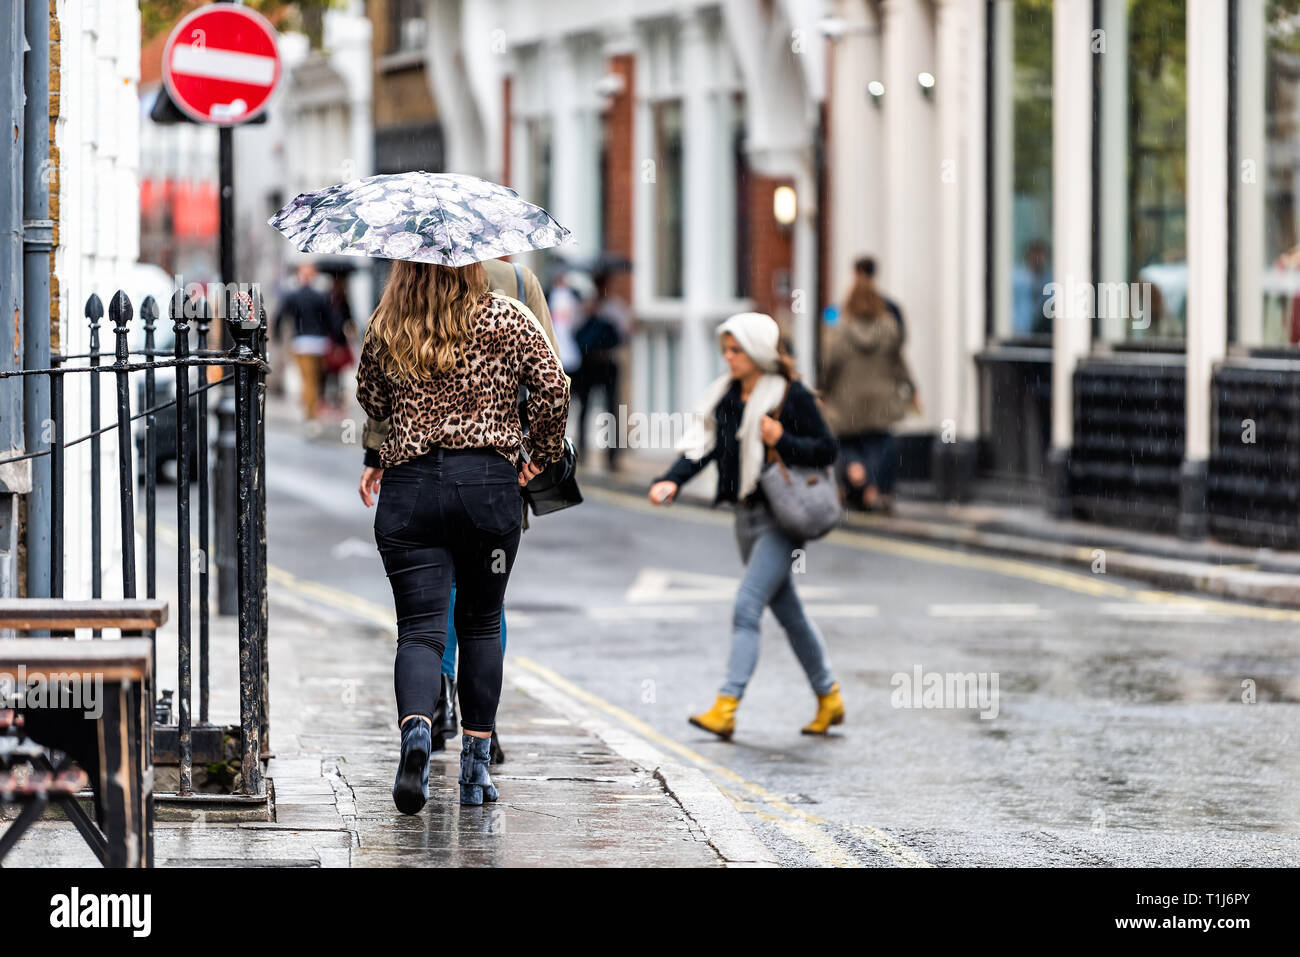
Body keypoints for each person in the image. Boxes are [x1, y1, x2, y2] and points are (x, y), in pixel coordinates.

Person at [355, 258, 569, 813]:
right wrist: (540, 454)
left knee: (420, 631)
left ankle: (418, 734)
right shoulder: (510, 317)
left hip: (410, 494)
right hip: (488, 492)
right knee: (480, 625)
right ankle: (475, 773)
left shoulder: (389, 324)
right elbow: (553, 386)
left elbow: (371, 401)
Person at [648, 312, 844, 740]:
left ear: (756, 350)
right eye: (726, 350)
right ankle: (829, 697)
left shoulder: (790, 396)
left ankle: (727, 705)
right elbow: (704, 449)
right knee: (788, 612)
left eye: (736, 350)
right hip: (745, 515)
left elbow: (827, 449)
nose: (729, 357)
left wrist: (783, 441)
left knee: (747, 606)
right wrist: (671, 480)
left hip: (781, 519)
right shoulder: (727, 396)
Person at [822, 257, 918, 513]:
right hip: (881, 398)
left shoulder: (839, 327)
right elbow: (899, 361)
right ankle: (874, 488)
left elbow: (829, 363)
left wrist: (823, 390)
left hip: (847, 399)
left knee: (847, 441)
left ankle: (855, 471)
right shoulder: (889, 325)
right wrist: (911, 388)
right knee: (880, 442)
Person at [572, 270, 628, 471]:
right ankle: (582, 452)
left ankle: (612, 457)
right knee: (584, 408)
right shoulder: (585, 306)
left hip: (607, 363)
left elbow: (624, 332)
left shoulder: (614, 306)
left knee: (612, 410)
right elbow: (573, 330)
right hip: (587, 364)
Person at [274, 261, 337, 426]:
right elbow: (331, 320)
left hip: (302, 342)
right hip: (319, 343)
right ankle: (311, 411)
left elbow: (279, 316)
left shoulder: (294, 295)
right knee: (315, 379)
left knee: (308, 380)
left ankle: (310, 414)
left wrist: (277, 335)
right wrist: (336, 338)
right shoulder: (321, 296)